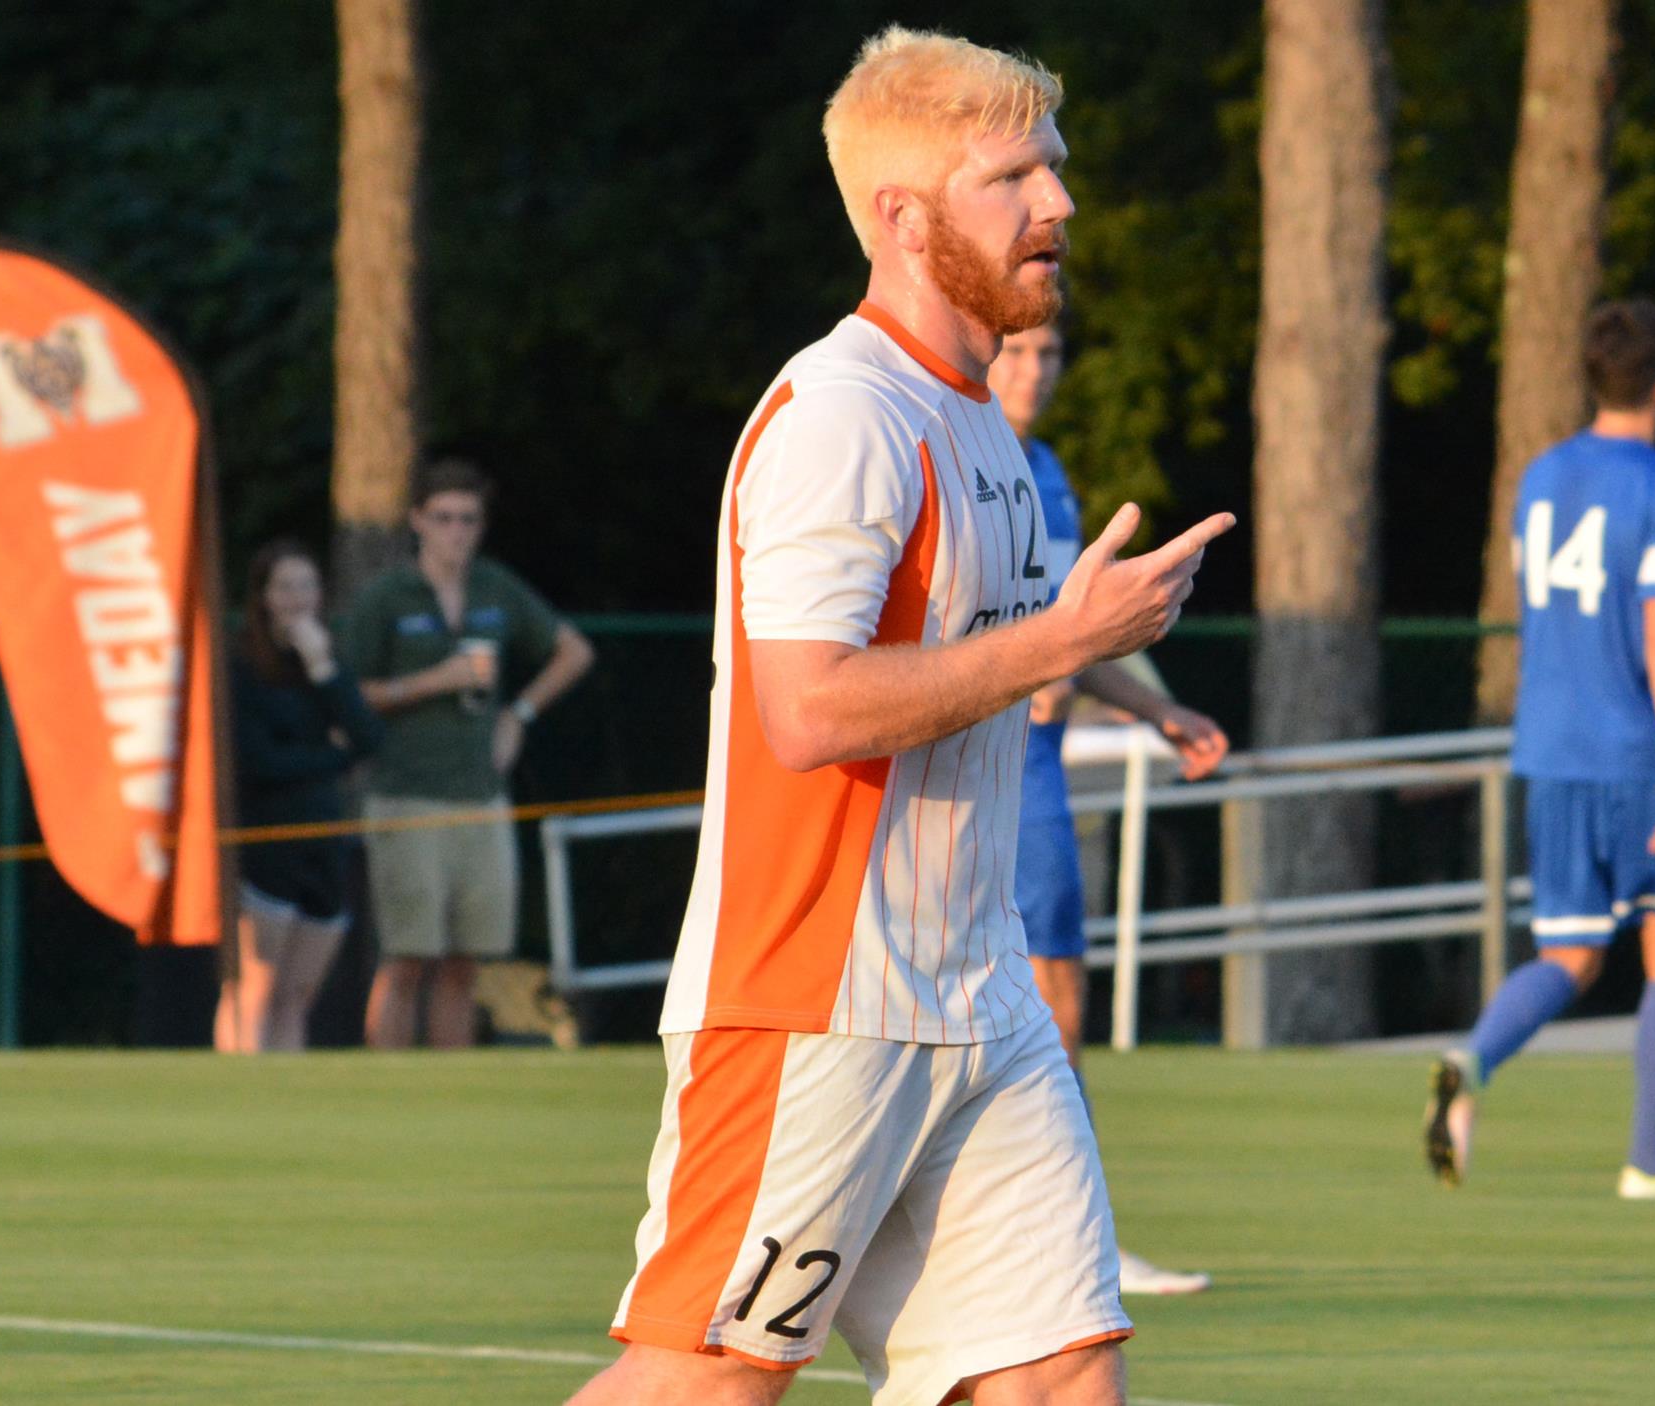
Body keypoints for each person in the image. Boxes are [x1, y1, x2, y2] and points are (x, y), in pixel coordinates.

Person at [569, 28, 1234, 1406]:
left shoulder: (984, 426)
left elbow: (995, 663)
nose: (1057, 204)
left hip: (976, 994)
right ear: (902, 215)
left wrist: (1084, 646)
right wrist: (1063, 637)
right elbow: (805, 709)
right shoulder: (841, 414)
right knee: (704, 1382)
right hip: (819, 999)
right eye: (1013, 177)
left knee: (1056, 1374)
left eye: (1054, 169)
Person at [1424, 299, 1655, 1201]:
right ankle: (1649, 1163)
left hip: (1551, 753)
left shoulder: (1541, 478)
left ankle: (1473, 1058)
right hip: (1636, 754)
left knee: (1570, 954)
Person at [990, 320, 1228, 1296]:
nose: (1035, 372)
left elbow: (1068, 636)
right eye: (1017, 353)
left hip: (1036, 768)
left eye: (1049, 355)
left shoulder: (1045, 470)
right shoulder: (944, 450)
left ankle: (1071, 1239)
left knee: (1056, 1001)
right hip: (966, 766)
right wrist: (1018, 671)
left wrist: (1159, 706)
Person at [345, 458, 596, 1050]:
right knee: (407, 958)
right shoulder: (386, 596)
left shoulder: (495, 587)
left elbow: (574, 652)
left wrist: (519, 714)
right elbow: (348, 694)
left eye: (468, 519)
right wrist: (434, 681)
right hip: (406, 795)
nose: (456, 531)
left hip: (483, 796)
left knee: (466, 963)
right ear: (417, 521)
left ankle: (450, 1092)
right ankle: (386, 1094)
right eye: (444, 518)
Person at [216, 540, 384, 1054]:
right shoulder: (241, 667)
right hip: (267, 845)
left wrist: (323, 668)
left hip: (324, 841)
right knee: (256, 986)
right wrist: (334, 756)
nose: (297, 597)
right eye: (285, 586)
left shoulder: (326, 660)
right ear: (263, 596)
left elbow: (369, 738)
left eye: (307, 585)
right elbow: (260, 764)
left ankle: (282, 1102)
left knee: (298, 993)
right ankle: (236, 1093)